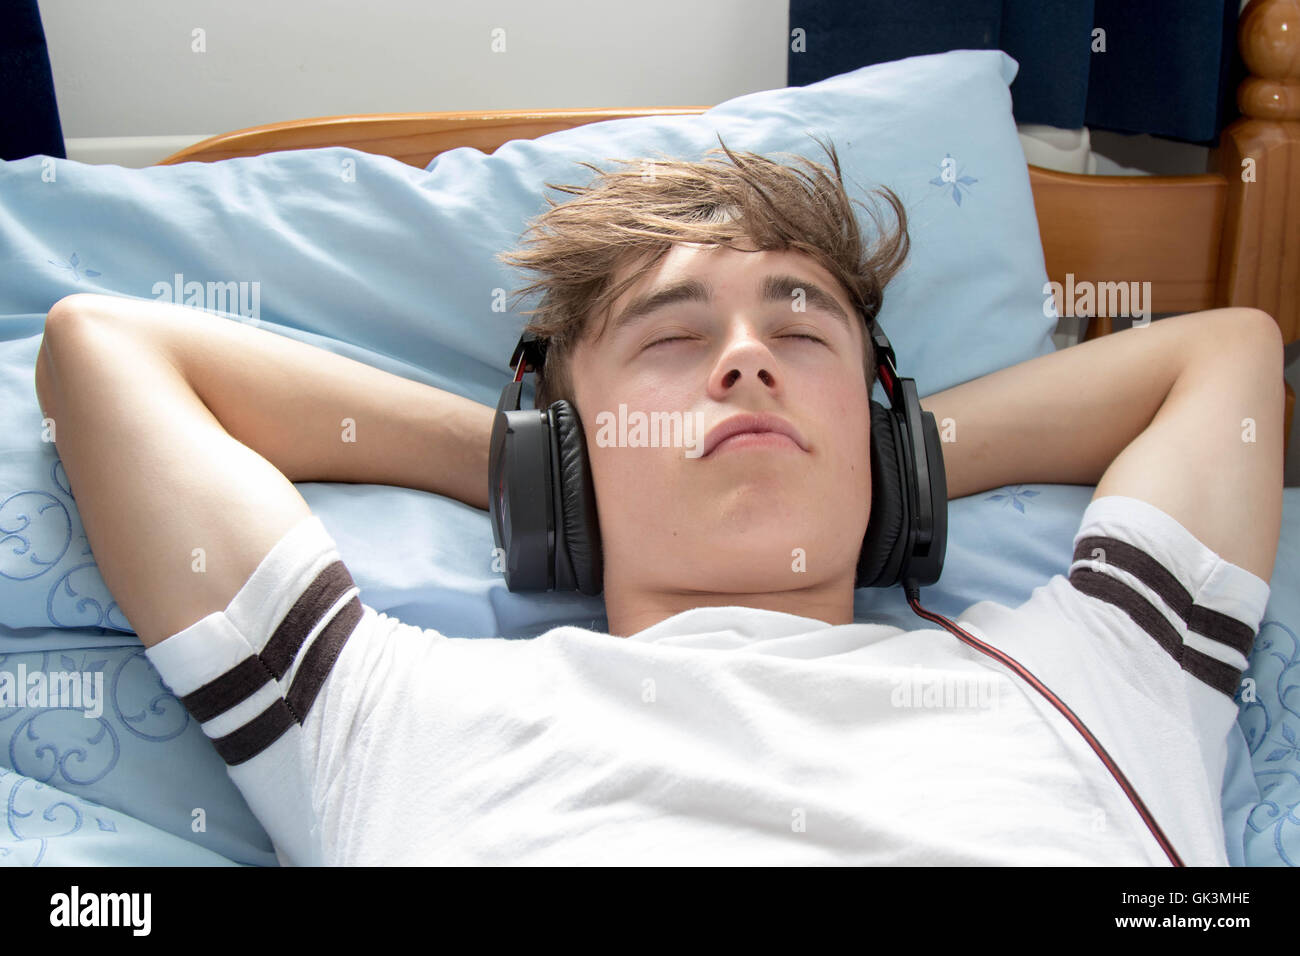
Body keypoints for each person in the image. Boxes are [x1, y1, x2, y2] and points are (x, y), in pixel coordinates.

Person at [32, 138, 1285, 866]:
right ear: (564, 454)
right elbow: (104, 353)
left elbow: (1227, 351)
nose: (745, 358)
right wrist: (527, 463)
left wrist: (893, 455)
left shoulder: (1102, 664)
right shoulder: (383, 710)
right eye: (672, 341)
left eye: (802, 331)